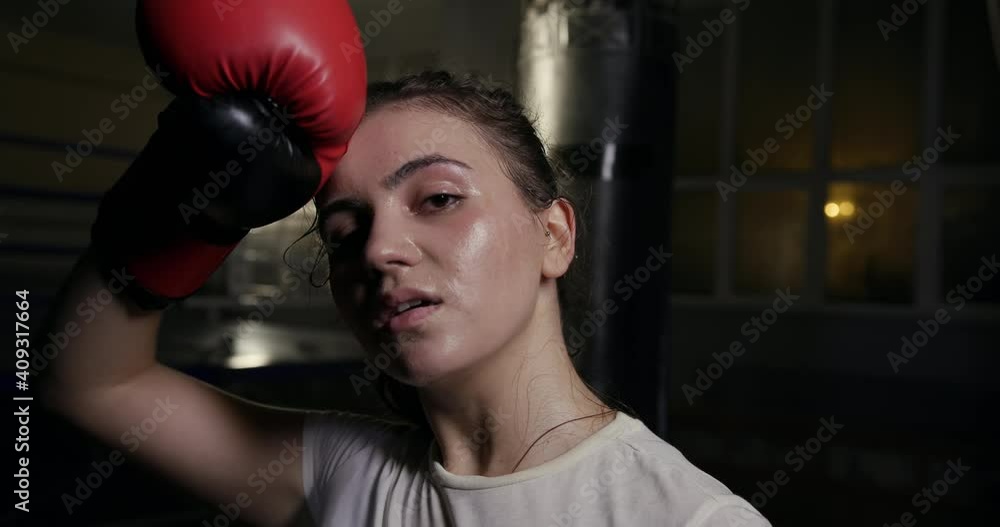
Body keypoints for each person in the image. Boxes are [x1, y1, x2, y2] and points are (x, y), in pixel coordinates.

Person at [36, 2, 770, 526]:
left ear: (554, 236)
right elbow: (90, 380)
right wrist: (178, 218)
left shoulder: (689, 516)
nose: (380, 251)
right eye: (345, 231)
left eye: (439, 198)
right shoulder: (342, 475)